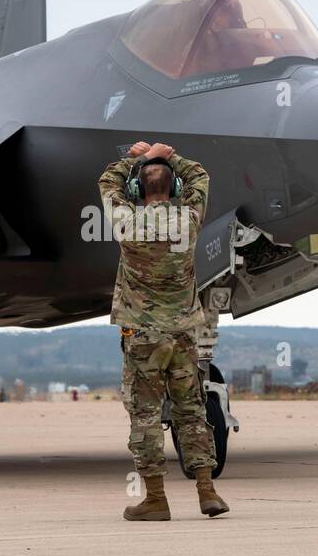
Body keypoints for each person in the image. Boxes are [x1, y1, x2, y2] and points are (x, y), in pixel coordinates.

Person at [97, 141, 228, 520]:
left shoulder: (127, 221)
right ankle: (207, 491)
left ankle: (155, 499)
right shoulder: (188, 218)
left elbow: (108, 180)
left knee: (145, 417)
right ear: (175, 189)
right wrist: (169, 156)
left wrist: (135, 159)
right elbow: (200, 176)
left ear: (137, 191)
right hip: (183, 334)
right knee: (191, 411)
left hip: (141, 337)